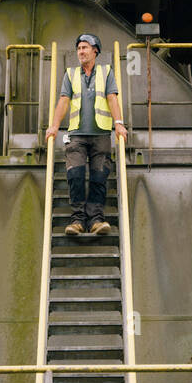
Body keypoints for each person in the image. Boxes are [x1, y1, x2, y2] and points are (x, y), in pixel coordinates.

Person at [45, 32, 127, 235]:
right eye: (79, 48)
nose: (81, 52)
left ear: (95, 50)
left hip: (100, 134)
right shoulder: (70, 74)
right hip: (76, 135)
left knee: (99, 176)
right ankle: (78, 221)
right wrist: (54, 126)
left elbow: (112, 98)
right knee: (76, 175)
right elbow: (63, 101)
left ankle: (97, 220)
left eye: (85, 48)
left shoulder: (106, 72)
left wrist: (119, 124)